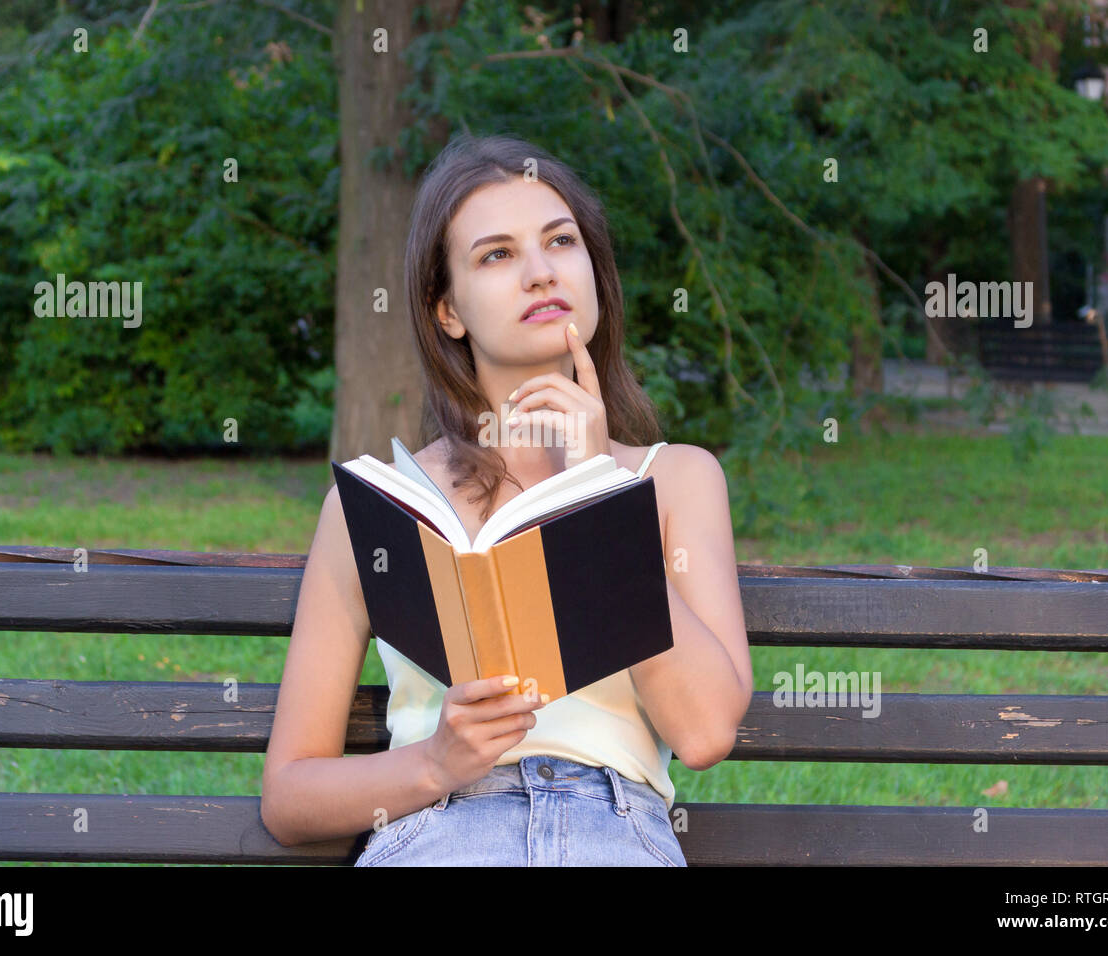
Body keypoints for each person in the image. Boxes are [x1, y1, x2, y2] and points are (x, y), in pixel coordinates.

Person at [261, 133, 752, 866]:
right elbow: (290, 796)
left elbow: (706, 730)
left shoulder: (674, 477)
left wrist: (593, 497)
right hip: (440, 829)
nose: (540, 272)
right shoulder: (379, 508)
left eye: (560, 241)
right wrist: (434, 762)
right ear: (447, 311)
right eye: (497, 254)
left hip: (615, 831)